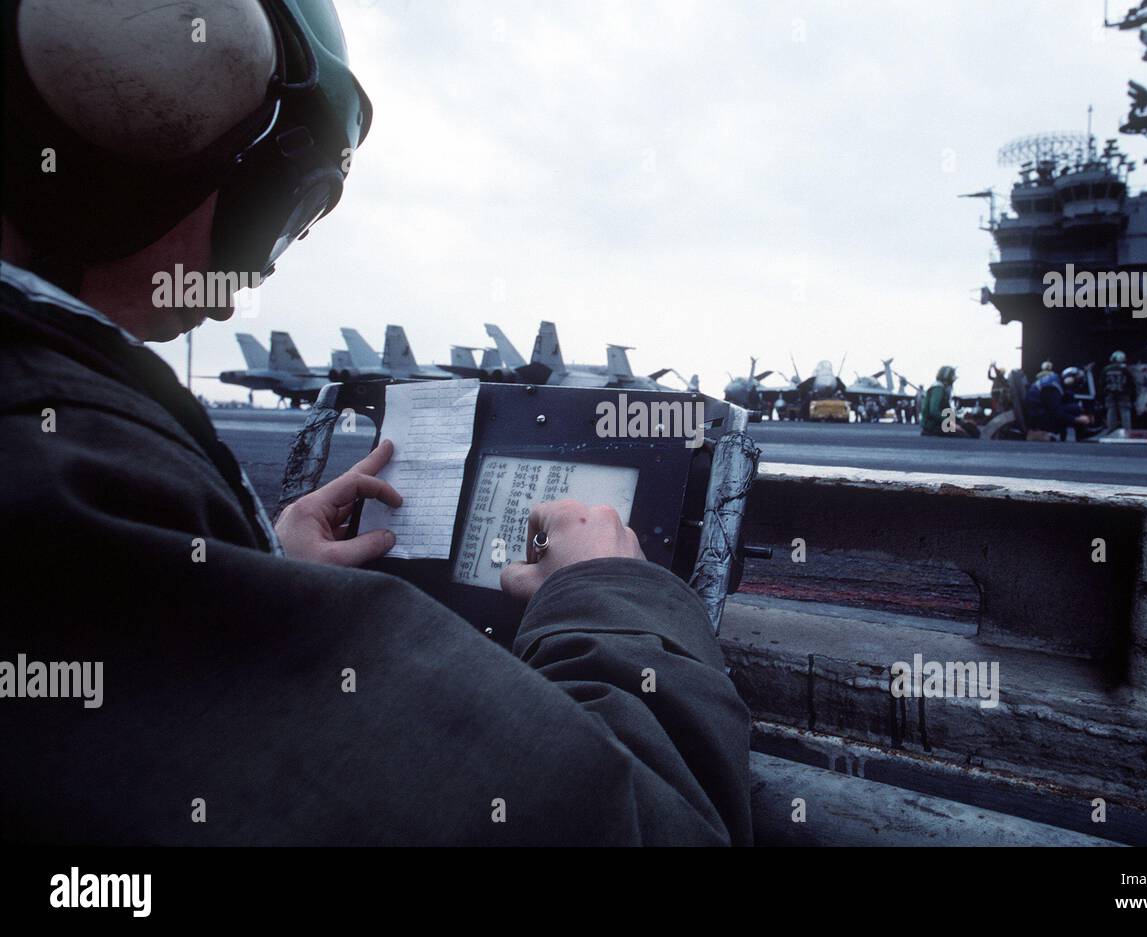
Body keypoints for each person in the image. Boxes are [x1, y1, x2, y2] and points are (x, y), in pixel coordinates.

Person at [0, 0, 750, 845]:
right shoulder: (67, 495)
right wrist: (617, 604)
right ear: (159, 104)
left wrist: (256, 576)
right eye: (288, 200)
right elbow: (648, 827)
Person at [1025, 367, 1091, 440]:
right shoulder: (1052, 388)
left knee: (1076, 408)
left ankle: (1083, 433)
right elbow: (1056, 413)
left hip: (1040, 410)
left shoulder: (1055, 380)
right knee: (1074, 410)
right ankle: (1081, 432)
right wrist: (1077, 419)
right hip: (1038, 417)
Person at [920, 365, 974, 437]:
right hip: (933, 425)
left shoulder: (943, 389)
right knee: (964, 435)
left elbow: (947, 411)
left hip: (941, 422)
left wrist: (961, 421)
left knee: (971, 428)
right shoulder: (938, 389)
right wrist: (951, 424)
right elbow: (934, 411)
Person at [1101, 351, 1136, 432]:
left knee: (1111, 410)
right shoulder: (1126, 369)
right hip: (1123, 393)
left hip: (1109, 392)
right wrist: (1132, 393)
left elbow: (1102, 382)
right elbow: (1131, 382)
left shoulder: (1106, 369)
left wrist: (1104, 392)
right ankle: (1127, 430)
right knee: (1125, 411)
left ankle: (1111, 430)